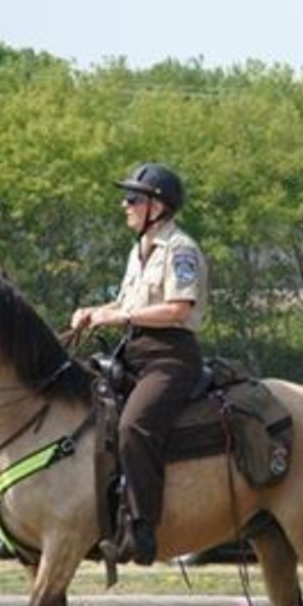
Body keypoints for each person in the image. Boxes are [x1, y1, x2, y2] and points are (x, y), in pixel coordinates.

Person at [70, 162, 208, 565]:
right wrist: (95, 310)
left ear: (157, 205)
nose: (124, 205)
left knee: (134, 426)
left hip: (170, 358)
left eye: (133, 198)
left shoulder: (180, 249)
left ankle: (142, 528)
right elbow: (129, 303)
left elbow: (179, 308)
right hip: (135, 352)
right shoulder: (139, 249)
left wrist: (122, 318)